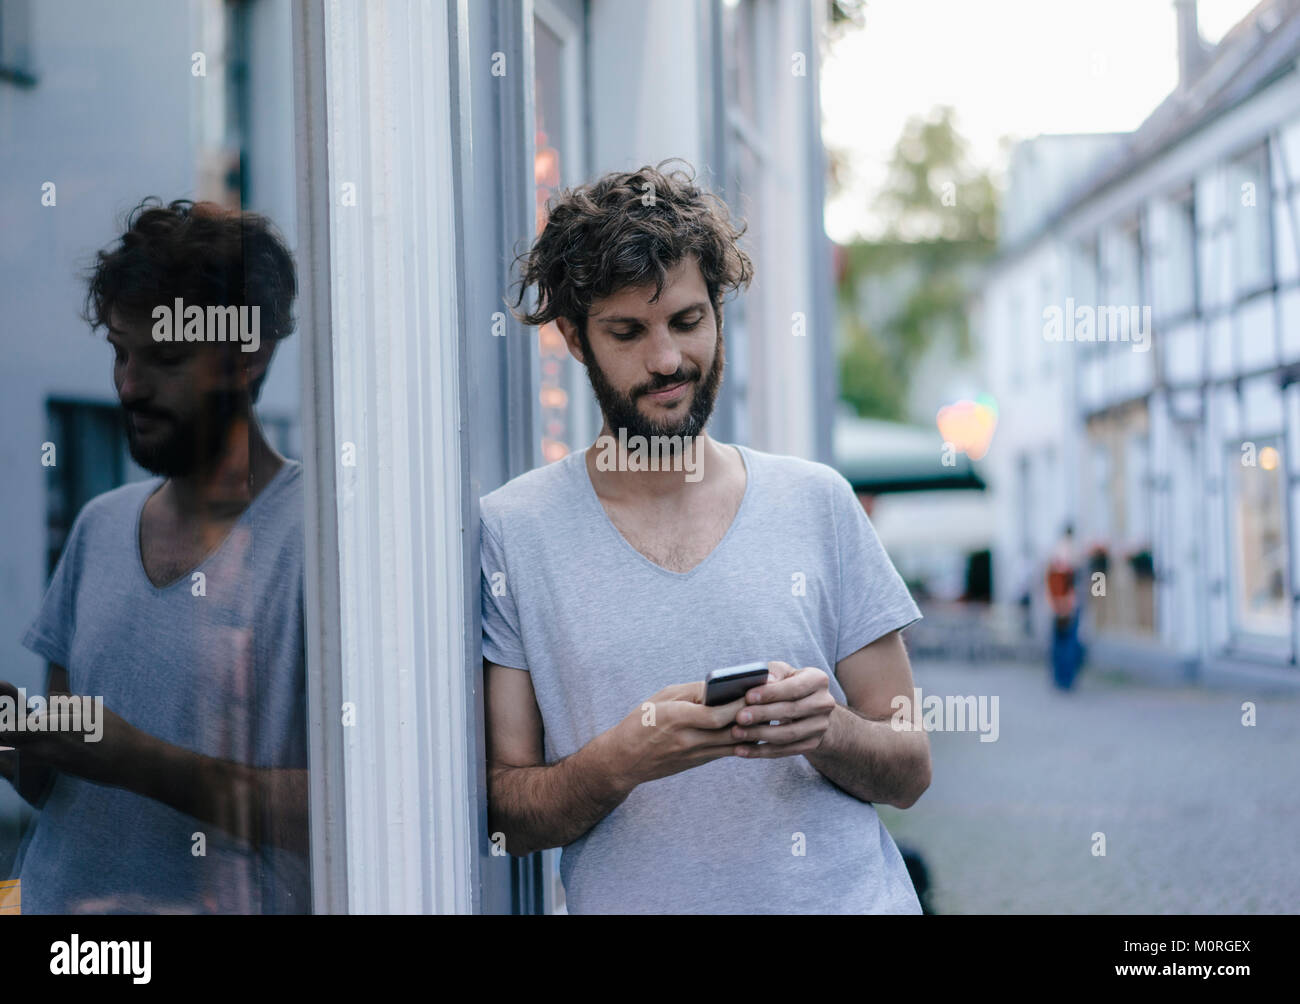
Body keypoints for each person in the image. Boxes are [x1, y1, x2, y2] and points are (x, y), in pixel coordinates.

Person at [481, 162, 930, 914]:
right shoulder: (514, 530)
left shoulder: (817, 501)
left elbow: (910, 768)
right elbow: (507, 813)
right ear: (574, 338)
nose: (666, 360)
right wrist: (621, 761)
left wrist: (826, 730)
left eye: (687, 322)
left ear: (718, 313)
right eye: (628, 331)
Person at [0, 199, 309, 913]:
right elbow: (60, 783)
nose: (129, 385)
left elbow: (360, 804)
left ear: (247, 354)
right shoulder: (98, 526)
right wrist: (23, 746)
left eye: (165, 357)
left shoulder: (319, 543)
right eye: (119, 351)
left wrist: (143, 763)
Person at [1045, 524, 1083, 691]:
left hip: (1057, 605)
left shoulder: (1055, 551)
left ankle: (1059, 678)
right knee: (1068, 643)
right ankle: (1065, 679)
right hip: (1068, 605)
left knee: (1059, 643)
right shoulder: (1073, 552)